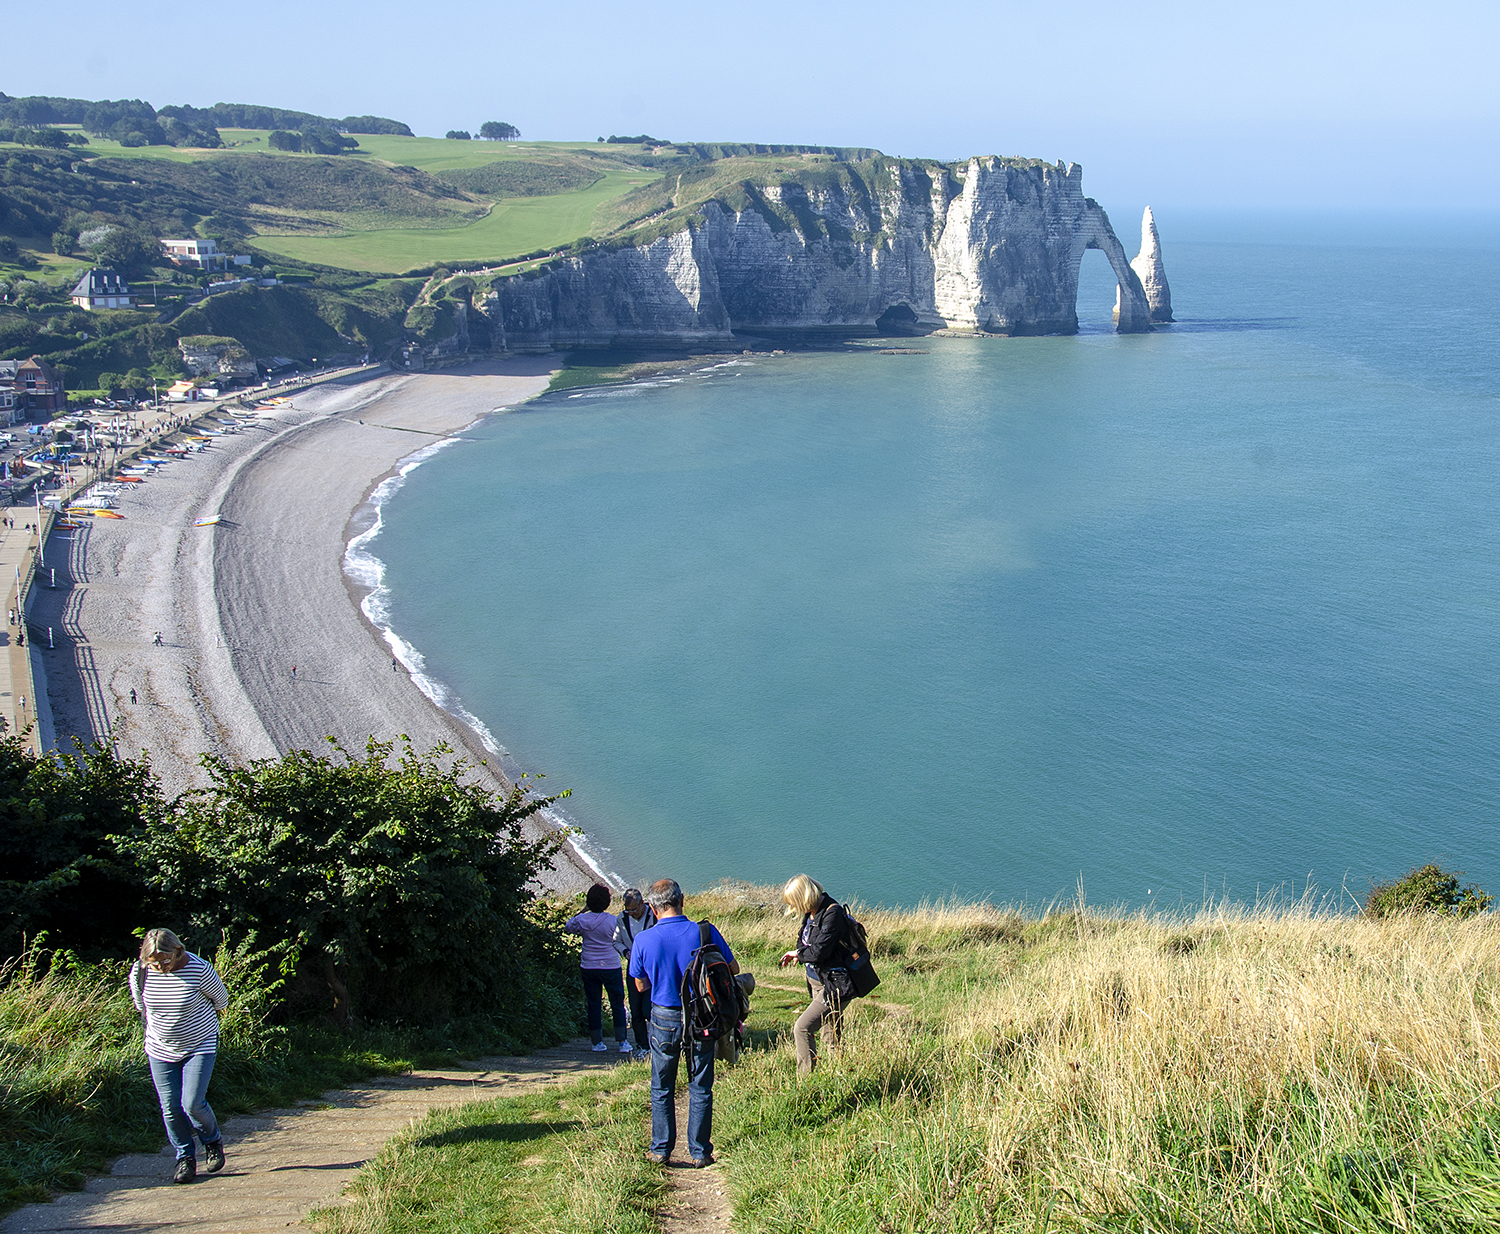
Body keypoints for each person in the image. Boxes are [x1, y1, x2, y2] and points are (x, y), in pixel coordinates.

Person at [629, 878, 738, 1167]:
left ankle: (661, 1149)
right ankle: (700, 1151)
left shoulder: (643, 939)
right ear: (682, 901)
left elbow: (640, 985)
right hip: (701, 1014)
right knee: (701, 1085)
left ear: (652, 908)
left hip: (664, 1015)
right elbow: (733, 968)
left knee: (662, 1085)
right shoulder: (705, 931)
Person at [127, 928, 229, 1184]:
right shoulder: (140, 972)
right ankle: (185, 1159)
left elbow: (221, 1000)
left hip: (200, 1042)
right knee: (171, 1108)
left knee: (192, 1103)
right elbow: (141, 1006)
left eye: (166, 960)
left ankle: (212, 1141)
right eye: (154, 962)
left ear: (178, 951)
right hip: (160, 1047)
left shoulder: (198, 969)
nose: (161, 966)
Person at [778, 874, 850, 1077]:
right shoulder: (811, 912)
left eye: (794, 902)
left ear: (803, 897)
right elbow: (803, 942)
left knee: (802, 1028)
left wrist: (799, 955)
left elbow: (819, 952)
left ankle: (806, 1082)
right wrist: (800, 952)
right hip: (817, 980)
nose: (793, 907)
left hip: (834, 984)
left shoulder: (831, 913)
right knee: (831, 1033)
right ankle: (839, 1076)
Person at [565, 884, 631, 1054]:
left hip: (588, 965)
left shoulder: (582, 920)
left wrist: (583, 910)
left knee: (593, 1004)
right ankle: (622, 1042)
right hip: (610, 965)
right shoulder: (612, 920)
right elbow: (620, 938)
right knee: (617, 1003)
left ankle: (596, 1043)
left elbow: (568, 926)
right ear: (607, 902)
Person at [612, 888, 657, 1058]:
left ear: (642, 903)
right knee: (636, 1010)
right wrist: (626, 952)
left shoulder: (654, 915)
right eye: (628, 910)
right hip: (633, 968)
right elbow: (615, 941)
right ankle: (642, 1046)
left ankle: (655, 1044)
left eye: (634, 909)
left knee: (649, 1009)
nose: (631, 913)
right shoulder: (622, 919)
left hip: (652, 968)